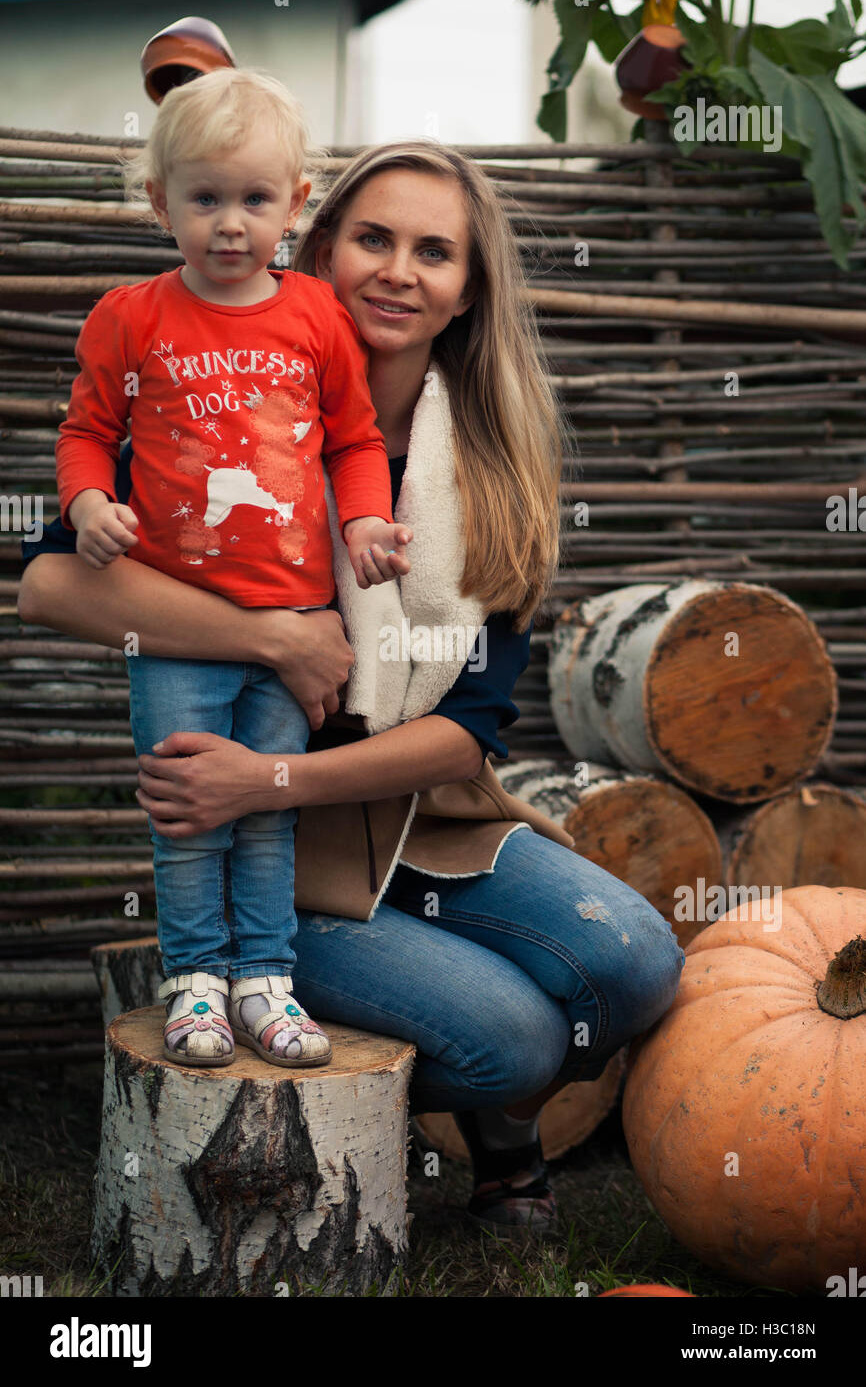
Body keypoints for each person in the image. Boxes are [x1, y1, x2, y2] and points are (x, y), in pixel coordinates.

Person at [19, 139, 685, 1236]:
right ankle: (314, 1006)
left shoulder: (490, 461)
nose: (397, 270)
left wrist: (268, 776)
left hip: (423, 812)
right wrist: (276, 640)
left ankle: (475, 1074)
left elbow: (468, 732)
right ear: (315, 243)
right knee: (510, 1033)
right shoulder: (211, 394)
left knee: (632, 960)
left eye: (434, 252)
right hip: (282, 859)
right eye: (371, 237)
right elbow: (50, 585)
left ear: (467, 292)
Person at [54, 67, 413, 1070]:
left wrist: (367, 525)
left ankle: (267, 981)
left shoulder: (312, 316)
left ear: (296, 205)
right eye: (204, 198)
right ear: (160, 201)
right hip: (178, 629)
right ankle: (195, 982)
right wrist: (88, 503)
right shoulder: (130, 318)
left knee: (266, 806)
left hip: (297, 616)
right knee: (185, 811)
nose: (228, 224)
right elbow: (86, 432)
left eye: (254, 199)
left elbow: (349, 441)